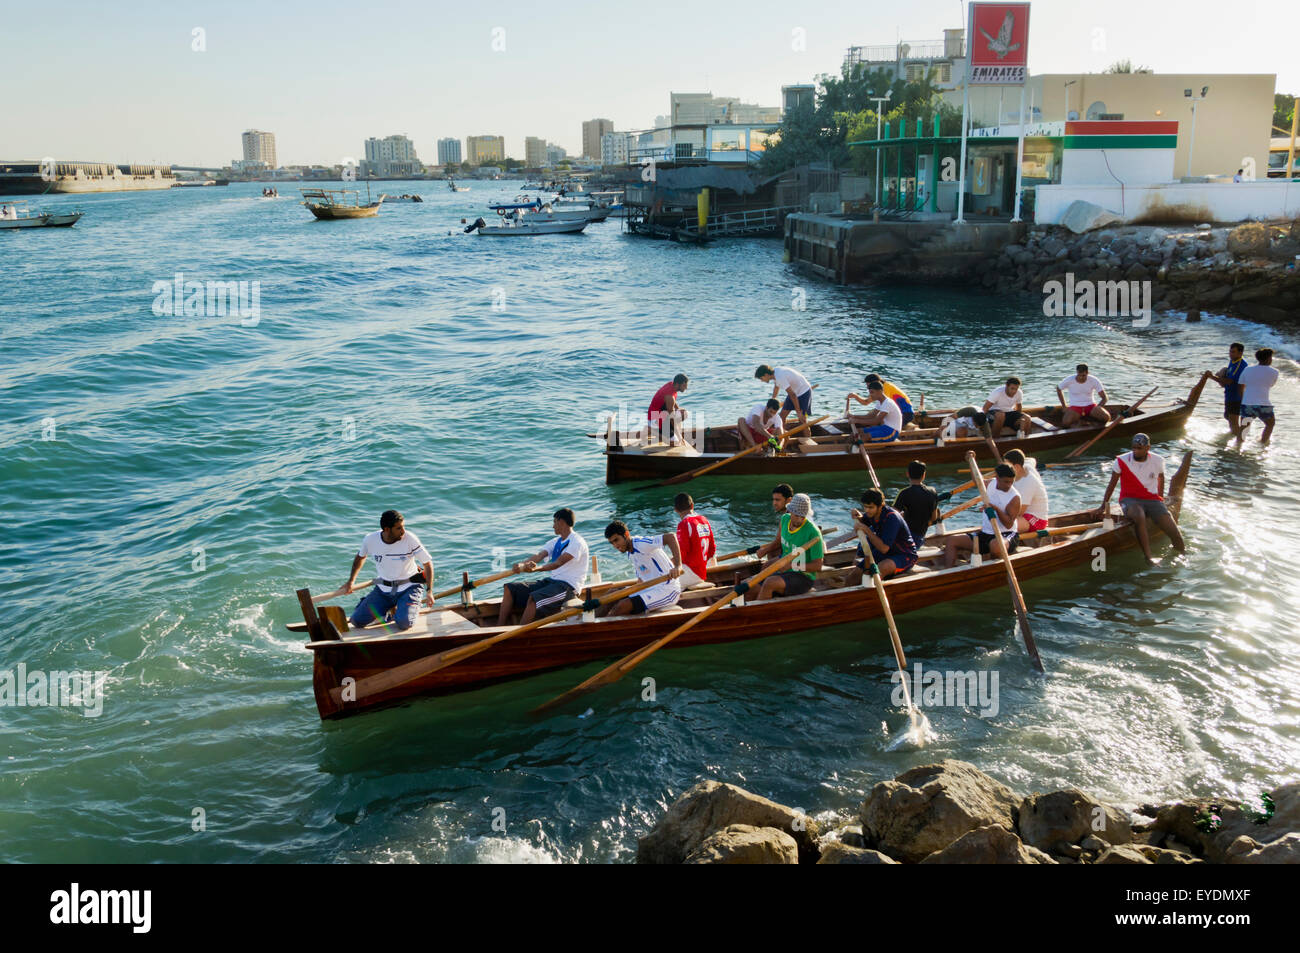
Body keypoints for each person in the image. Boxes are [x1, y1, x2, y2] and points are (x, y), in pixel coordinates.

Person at [1092, 433, 1186, 565]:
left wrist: (1160, 498)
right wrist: (1103, 506)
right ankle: (1149, 558)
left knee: (1174, 532)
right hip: (1129, 500)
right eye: (1134, 448)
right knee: (1139, 515)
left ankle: (1182, 555)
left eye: (1139, 448)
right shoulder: (1121, 461)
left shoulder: (1158, 460)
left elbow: (1161, 478)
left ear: (1148, 448)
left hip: (1152, 499)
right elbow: (1111, 484)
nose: (1135, 451)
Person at [344, 510, 434, 631]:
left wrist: (429, 591)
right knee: (356, 621)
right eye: (399, 528)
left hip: (409, 587)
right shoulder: (370, 539)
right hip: (383, 590)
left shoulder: (410, 539)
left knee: (404, 623)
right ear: (386, 529)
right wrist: (351, 581)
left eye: (403, 527)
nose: (403, 531)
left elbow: (427, 564)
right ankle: (386, 610)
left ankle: (404, 609)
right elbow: (360, 557)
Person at [497, 508, 589, 625]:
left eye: (554, 522)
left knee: (534, 598)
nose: (553, 526)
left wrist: (537, 569)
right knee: (509, 588)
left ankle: (518, 633)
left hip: (568, 588)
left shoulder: (577, 542)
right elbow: (538, 556)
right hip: (551, 582)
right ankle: (499, 627)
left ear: (561, 522)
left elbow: (558, 563)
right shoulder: (555, 541)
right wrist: (522, 565)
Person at [943, 465, 1021, 567]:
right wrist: (971, 463)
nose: (1009, 485)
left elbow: (1009, 524)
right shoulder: (990, 484)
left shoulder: (1014, 497)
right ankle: (948, 571)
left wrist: (995, 509)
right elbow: (977, 480)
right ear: (997, 478)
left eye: (1011, 482)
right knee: (951, 540)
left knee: (996, 545)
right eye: (1006, 482)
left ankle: (991, 568)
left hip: (1006, 535)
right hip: (985, 534)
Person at [599, 521, 683, 616]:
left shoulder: (641, 544)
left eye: (616, 540)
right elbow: (641, 578)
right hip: (649, 588)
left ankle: (603, 628)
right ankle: (591, 623)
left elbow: (670, 537)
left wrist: (678, 566)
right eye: (612, 543)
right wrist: (625, 592)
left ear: (626, 534)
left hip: (668, 590)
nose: (615, 546)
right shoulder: (629, 552)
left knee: (622, 606)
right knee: (611, 595)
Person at [753, 493, 825, 599]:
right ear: (790, 511)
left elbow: (817, 566)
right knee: (759, 574)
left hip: (803, 576)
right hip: (785, 564)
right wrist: (765, 551)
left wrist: (792, 566)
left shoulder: (813, 533)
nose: (799, 520)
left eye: (802, 516)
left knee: (770, 583)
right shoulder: (784, 519)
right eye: (796, 515)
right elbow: (778, 542)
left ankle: (760, 611)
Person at [845, 488, 919, 584]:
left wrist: (867, 530)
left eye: (870, 507)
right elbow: (864, 520)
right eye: (865, 507)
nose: (867, 510)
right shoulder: (871, 514)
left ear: (881, 506)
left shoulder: (892, 518)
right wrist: (859, 517)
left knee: (880, 569)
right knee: (853, 577)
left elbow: (884, 548)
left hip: (904, 555)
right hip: (885, 553)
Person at [674, 493, 717, 588]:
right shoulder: (704, 520)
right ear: (692, 505)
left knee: (660, 577)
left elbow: (682, 554)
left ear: (676, 510)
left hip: (692, 573)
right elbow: (712, 549)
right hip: (703, 570)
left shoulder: (684, 524)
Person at [893, 460, 940, 544]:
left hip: (905, 537)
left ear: (907, 474)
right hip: (920, 538)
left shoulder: (904, 493)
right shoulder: (932, 491)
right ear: (924, 475)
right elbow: (934, 518)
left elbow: (892, 516)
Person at [1238, 348, 1279, 445]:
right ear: (1268, 358)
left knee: (1244, 428)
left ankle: (1238, 446)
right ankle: (1262, 444)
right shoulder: (1274, 372)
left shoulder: (1247, 369)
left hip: (1247, 403)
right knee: (1270, 424)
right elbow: (1271, 385)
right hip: (1263, 404)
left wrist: (1243, 399)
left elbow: (1240, 386)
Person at [1003, 449, 1049, 533]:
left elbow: (1018, 512)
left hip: (1037, 519)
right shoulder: (1027, 466)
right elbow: (1031, 459)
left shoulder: (1028, 483)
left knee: (1003, 524)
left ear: (1016, 467)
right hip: (1024, 515)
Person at [848, 374, 915, 427]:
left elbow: (883, 408)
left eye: (869, 386)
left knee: (878, 421)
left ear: (875, 383)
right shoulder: (878, 390)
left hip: (906, 413)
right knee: (873, 417)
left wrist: (859, 419)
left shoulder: (885, 388)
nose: (868, 388)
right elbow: (866, 402)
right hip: (899, 413)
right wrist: (856, 396)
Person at [1213, 342, 1249, 439]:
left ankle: (1237, 445)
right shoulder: (1232, 361)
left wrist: (1212, 377)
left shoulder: (1241, 365)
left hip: (1236, 398)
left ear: (1240, 353)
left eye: (1233, 352)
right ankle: (1236, 437)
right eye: (1230, 352)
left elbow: (1230, 381)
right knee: (1228, 418)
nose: (1230, 354)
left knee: (1233, 422)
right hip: (1229, 396)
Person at [647, 373, 689, 445]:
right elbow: (672, 418)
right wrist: (680, 436)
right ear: (678, 384)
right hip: (655, 419)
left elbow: (673, 403)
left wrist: (678, 410)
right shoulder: (669, 396)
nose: (686, 388)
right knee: (675, 443)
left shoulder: (671, 385)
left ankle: (671, 432)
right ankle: (653, 430)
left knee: (684, 413)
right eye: (684, 385)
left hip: (663, 414)